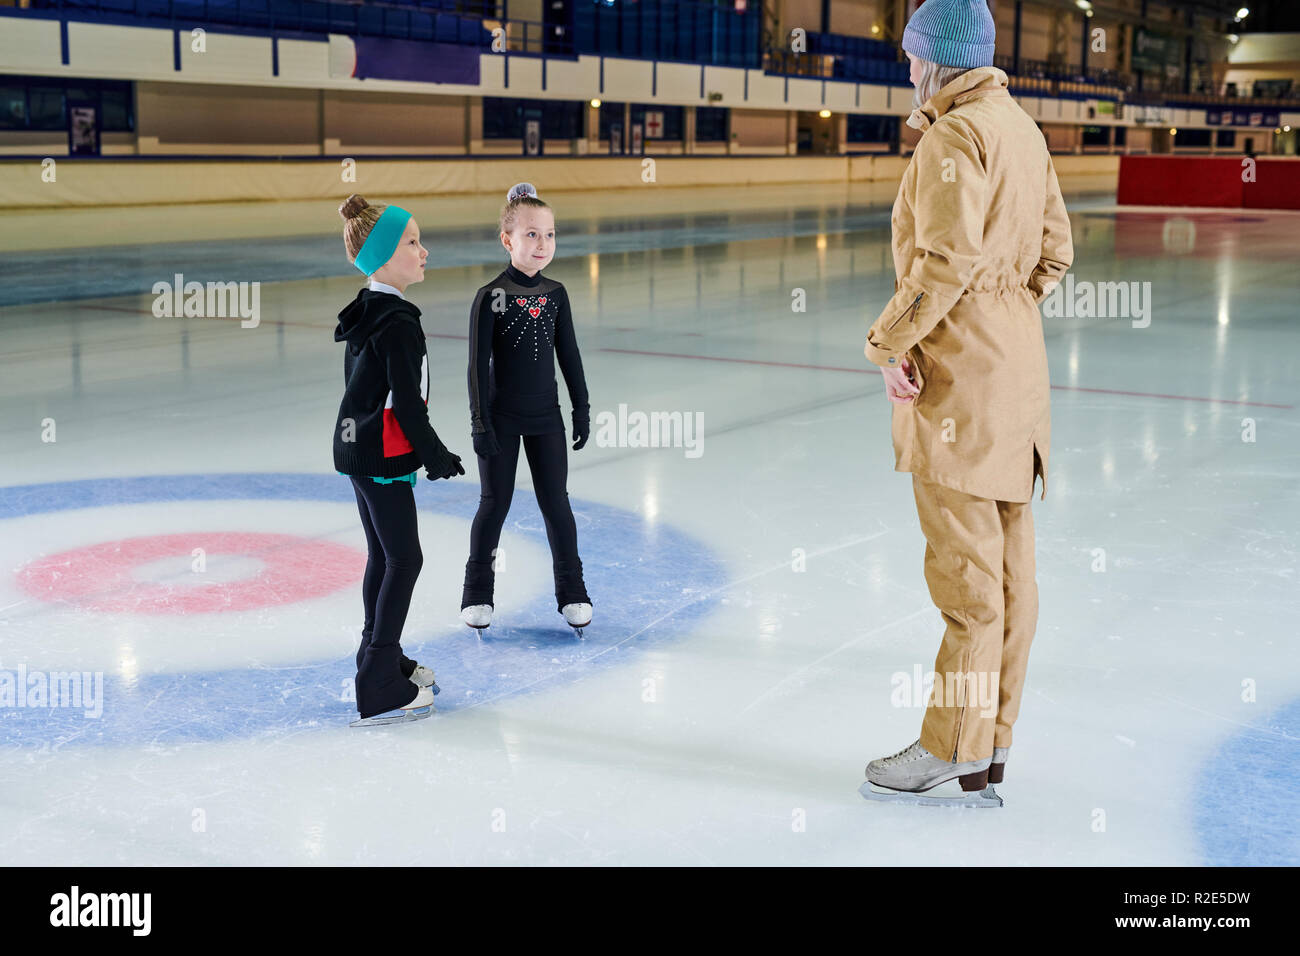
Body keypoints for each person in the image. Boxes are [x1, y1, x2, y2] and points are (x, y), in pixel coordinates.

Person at [859, 0, 1074, 805]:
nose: (908, 69)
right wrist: (1006, 317)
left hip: (957, 391)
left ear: (940, 58)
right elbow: (1056, 252)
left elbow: (944, 261)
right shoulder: (1019, 126)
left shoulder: (954, 135)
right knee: (1014, 583)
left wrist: (887, 343)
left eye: (914, 55)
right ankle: (991, 746)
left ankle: (948, 745)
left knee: (968, 587)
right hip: (1018, 386)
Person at [333, 194, 466, 726]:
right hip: (381, 456)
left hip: (359, 452)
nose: (424, 251)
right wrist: (435, 455)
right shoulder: (397, 323)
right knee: (404, 560)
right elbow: (407, 405)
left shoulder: (371, 310)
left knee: (384, 558)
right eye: (412, 242)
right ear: (383, 256)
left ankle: (377, 655)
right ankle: (378, 682)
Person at [460, 183, 593, 635]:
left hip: (546, 417)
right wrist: (479, 422)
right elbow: (477, 367)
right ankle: (477, 594)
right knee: (494, 504)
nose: (543, 244)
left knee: (557, 504)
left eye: (550, 235)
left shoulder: (556, 293)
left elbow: (569, 355)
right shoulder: (491, 296)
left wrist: (581, 408)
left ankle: (572, 592)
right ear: (508, 240)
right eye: (532, 235)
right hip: (501, 416)